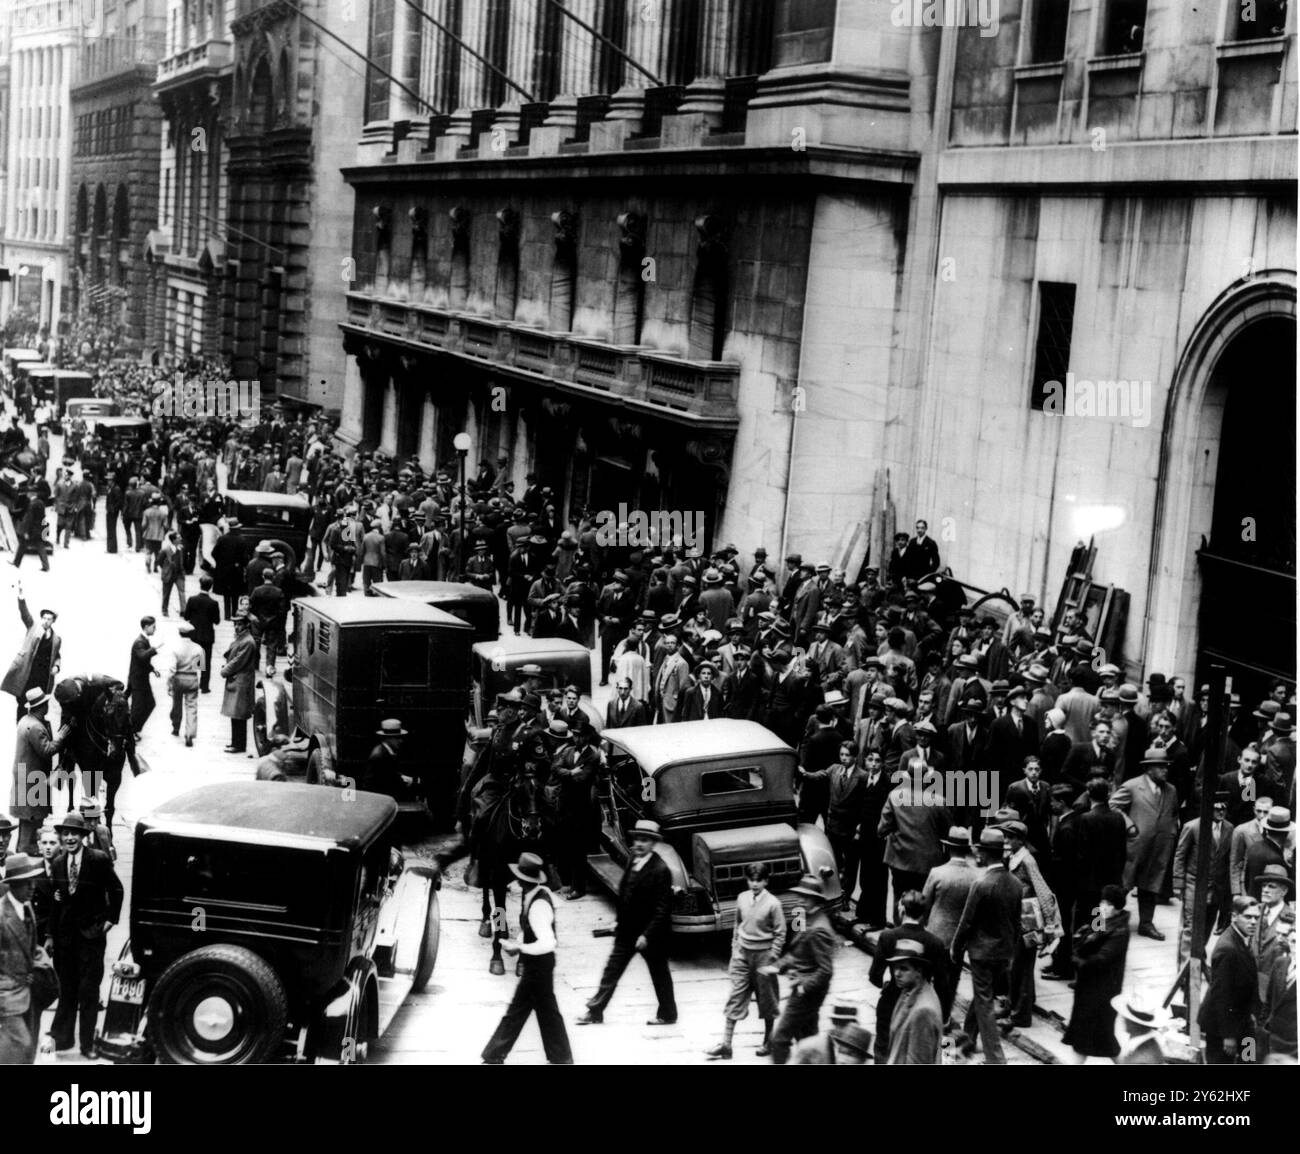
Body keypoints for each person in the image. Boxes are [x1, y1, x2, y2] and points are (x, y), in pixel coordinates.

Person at [578, 820, 676, 1027]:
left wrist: (646, 936)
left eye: (645, 840)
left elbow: (662, 909)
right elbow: (625, 893)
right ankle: (595, 1011)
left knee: (659, 974)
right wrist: (618, 920)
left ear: (653, 843)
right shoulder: (633, 860)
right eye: (637, 839)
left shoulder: (661, 870)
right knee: (612, 970)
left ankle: (668, 1014)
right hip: (627, 930)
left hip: (650, 935)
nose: (639, 844)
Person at [480, 852, 573, 1064]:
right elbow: (512, 916)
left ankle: (494, 1054)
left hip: (538, 962)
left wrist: (519, 947)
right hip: (537, 959)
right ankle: (479, 861)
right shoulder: (535, 895)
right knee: (545, 1010)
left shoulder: (538, 903)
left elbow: (547, 941)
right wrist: (506, 936)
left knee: (520, 1009)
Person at [47, 812, 124, 1059]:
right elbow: (56, 901)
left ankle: (87, 1045)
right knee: (67, 989)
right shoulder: (58, 862)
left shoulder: (98, 859)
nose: (70, 838)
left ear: (83, 836)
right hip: (66, 939)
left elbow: (117, 889)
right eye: (66, 834)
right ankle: (64, 1039)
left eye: (74, 834)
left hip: (91, 936)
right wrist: (52, 934)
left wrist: (111, 919)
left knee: (89, 991)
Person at [952, 827, 1023, 1064]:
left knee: (984, 1003)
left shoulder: (981, 883)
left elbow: (966, 921)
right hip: (1003, 951)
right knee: (983, 995)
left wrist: (956, 947)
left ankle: (996, 1058)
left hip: (981, 953)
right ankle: (967, 1039)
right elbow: (1016, 921)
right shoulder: (1015, 883)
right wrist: (1011, 950)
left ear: (984, 853)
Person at [705, 862, 786, 1060]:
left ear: (766, 881)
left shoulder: (774, 903)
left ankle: (768, 1040)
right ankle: (726, 1043)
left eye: (759, 880)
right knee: (735, 996)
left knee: (767, 1000)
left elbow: (780, 933)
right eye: (751, 880)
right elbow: (737, 925)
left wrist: (773, 956)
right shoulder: (741, 898)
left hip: (764, 956)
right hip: (743, 955)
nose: (755, 884)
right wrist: (735, 949)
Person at [1110, 747, 1181, 940]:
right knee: (1122, 887)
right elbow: (1113, 805)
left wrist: (1171, 832)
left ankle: (1146, 924)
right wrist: (1129, 825)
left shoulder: (1171, 790)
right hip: (1134, 848)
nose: (1165, 770)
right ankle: (1106, 923)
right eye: (1161, 767)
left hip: (1159, 848)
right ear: (1149, 769)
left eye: (1166, 766)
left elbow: (1174, 814)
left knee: (1150, 886)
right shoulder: (1133, 786)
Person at [769, 873, 837, 1064]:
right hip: (799, 984)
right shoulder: (801, 914)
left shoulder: (820, 929)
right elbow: (796, 949)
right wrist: (778, 966)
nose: (800, 900)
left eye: (804, 897)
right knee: (808, 1039)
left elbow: (826, 970)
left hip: (807, 992)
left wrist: (803, 987)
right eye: (799, 895)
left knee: (779, 1039)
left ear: (815, 900)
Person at [870, 890, 946, 1060]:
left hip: (890, 1002)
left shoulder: (888, 936)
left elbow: (874, 975)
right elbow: (943, 984)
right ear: (923, 914)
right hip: (919, 999)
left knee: (884, 1050)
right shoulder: (935, 942)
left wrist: (886, 983)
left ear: (901, 910)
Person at [1061, 883, 1129, 1062]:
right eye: (1103, 903)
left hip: (1102, 992)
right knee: (1093, 1039)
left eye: (1110, 905)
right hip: (1090, 989)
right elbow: (1085, 938)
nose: (1104, 908)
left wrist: (1079, 961)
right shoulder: (1101, 920)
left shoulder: (1120, 930)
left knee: (1096, 1038)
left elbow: (1102, 958)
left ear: (1118, 907)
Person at [1198, 895, 1261, 1064]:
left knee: (1250, 1058)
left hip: (1244, 1021)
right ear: (1234, 917)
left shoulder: (1240, 938)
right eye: (1248, 917)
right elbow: (1221, 994)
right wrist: (1228, 1036)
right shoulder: (1228, 949)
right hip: (1223, 1028)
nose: (1253, 922)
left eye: (1256, 917)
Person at [1173, 793, 1233, 966]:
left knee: (1207, 926)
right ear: (1208, 807)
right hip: (1194, 883)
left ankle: (1198, 959)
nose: (1221, 811)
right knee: (1191, 927)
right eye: (1217, 808)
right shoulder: (1192, 827)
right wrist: (1178, 884)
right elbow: (1180, 855)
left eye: (1224, 808)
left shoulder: (1229, 829)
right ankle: (1186, 969)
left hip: (1216, 887)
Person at [0, 852, 48, 1063]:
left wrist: (38, 964)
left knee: (29, 1049)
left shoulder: (26, 907)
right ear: (12, 885)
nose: (32, 888)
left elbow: (31, 947)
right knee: (19, 1044)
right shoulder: (2, 916)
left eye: (33, 881)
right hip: (7, 998)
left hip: (29, 994)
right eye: (25, 883)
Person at [10, 688, 70, 854]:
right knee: (31, 819)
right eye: (45, 704)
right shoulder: (36, 727)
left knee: (28, 820)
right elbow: (47, 750)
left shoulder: (25, 720)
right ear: (41, 706)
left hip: (27, 778)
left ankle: (25, 851)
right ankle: (23, 854)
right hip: (32, 781)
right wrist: (60, 738)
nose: (47, 707)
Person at [3, 584, 61, 723]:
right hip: (28, 674)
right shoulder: (33, 626)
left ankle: (34, 727)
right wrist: (21, 598)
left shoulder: (56, 638)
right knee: (23, 701)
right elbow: (24, 613)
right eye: (44, 618)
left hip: (43, 677)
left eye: (49, 619)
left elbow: (57, 656)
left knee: (39, 704)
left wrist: (57, 667)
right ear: (41, 618)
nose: (46, 621)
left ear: (53, 621)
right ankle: (21, 726)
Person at [885, 938, 944, 1064]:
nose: (896, 973)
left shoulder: (923, 1011)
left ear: (919, 971)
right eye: (895, 967)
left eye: (903, 968)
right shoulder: (909, 989)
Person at [220, 612, 259, 754]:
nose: (236, 627)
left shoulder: (247, 641)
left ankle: (238, 744)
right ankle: (236, 742)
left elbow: (238, 661)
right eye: (235, 624)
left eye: (239, 624)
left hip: (241, 681)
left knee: (239, 715)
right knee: (235, 715)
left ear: (247, 625)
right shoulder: (243, 639)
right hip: (238, 680)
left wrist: (225, 671)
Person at [1260, 913, 1296, 1063]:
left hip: (1292, 1048)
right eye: (1294, 941)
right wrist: (1263, 1028)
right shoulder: (1280, 962)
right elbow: (1268, 1000)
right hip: (1270, 1039)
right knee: (1248, 1057)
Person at [790, 1003, 872, 1065]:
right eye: (848, 1026)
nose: (852, 1031)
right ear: (836, 1024)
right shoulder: (810, 1046)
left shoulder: (852, 1047)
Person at [168, 621, 205, 747]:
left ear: (180, 633)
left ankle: (176, 726)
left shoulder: (175, 647)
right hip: (192, 678)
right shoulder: (198, 648)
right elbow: (200, 667)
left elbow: (172, 668)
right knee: (191, 707)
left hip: (178, 678)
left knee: (176, 704)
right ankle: (189, 734)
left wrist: (169, 683)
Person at [183, 575, 221, 694]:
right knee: (206, 663)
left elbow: (186, 616)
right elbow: (217, 621)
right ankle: (204, 686)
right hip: (207, 636)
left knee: (194, 661)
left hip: (194, 635)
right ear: (210, 587)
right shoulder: (213, 603)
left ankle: (192, 684)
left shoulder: (192, 599)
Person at [126, 616, 163, 736]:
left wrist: (152, 669)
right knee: (138, 708)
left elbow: (143, 661)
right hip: (137, 681)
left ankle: (134, 728)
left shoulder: (143, 640)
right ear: (146, 627)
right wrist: (154, 649)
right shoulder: (139, 642)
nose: (155, 629)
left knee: (149, 704)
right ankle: (129, 731)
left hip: (141, 680)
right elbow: (142, 656)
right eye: (153, 627)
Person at [11, 486, 50, 570]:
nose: (27, 494)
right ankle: (46, 566)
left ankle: (16, 563)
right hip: (39, 528)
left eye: (28, 492)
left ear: (32, 493)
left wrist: (25, 531)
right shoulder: (40, 502)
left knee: (24, 545)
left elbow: (29, 519)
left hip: (31, 529)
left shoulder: (32, 504)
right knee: (40, 546)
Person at [159, 530, 186, 616]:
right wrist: (166, 569)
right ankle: (164, 610)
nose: (181, 539)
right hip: (169, 574)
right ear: (174, 540)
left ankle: (183, 611)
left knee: (182, 592)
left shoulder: (181, 549)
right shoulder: (165, 550)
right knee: (166, 593)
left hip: (179, 574)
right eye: (178, 538)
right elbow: (160, 561)